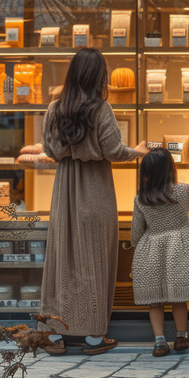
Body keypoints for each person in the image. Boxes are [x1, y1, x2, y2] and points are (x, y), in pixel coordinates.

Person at [40, 48, 148, 355]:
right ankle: (93, 337)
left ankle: (54, 335)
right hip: (97, 191)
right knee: (95, 261)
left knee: (63, 261)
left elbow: (50, 151)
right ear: (98, 76)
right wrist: (139, 150)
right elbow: (114, 151)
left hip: (65, 192)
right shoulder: (102, 110)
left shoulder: (54, 109)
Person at [131, 148, 189, 357]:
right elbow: (187, 209)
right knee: (178, 298)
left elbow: (136, 234)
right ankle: (181, 337)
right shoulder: (183, 190)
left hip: (150, 249)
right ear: (171, 167)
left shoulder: (141, 198)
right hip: (179, 247)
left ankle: (160, 342)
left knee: (155, 300)